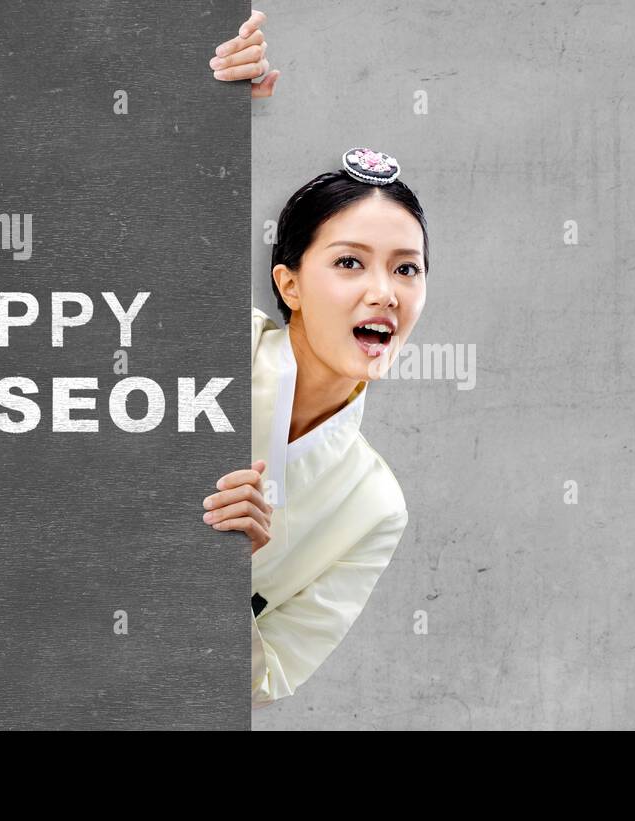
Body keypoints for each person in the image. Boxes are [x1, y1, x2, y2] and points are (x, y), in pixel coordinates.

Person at [205, 13, 430, 708]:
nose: (383, 292)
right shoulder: (205, 336)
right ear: (289, 283)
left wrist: (217, 580)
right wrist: (196, 102)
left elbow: (265, 679)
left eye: (407, 269)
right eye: (350, 262)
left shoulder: (372, 505)